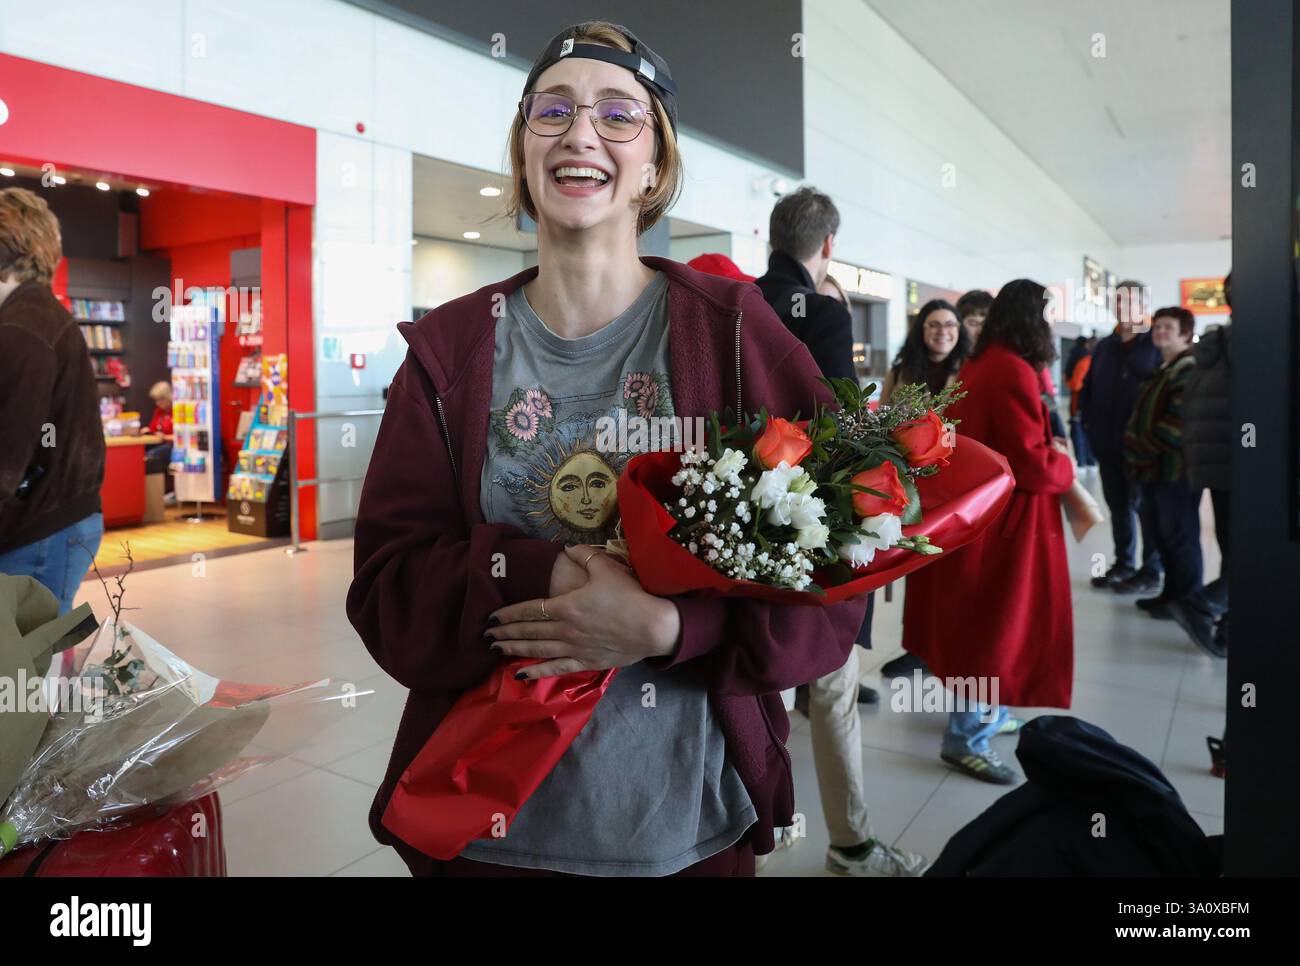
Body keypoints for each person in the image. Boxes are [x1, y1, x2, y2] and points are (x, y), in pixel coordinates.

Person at [347, 21, 875, 879]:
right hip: (488, 830)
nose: (580, 132)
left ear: (656, 166)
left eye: (618, 114)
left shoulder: (737, 336)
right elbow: (386, 590)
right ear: (523, 151)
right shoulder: (452, 355)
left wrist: (671, 626)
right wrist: (539, 580)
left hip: (689, 831)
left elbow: (838, 580)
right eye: (551, 110)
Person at [751, 191, 921, 875]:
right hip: (810, 521)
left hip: (735, 520)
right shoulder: (821, 313)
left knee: (750, 682)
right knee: (831, 689)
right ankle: (850, 845)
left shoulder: (728, 302)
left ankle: (753, 834)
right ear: (827, 247)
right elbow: (840, 426)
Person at [901, 280, 1075, 784]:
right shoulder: (1013, 371)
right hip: (1010, 525)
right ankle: (967, 736)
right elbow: (1033, 463)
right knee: (995, 629)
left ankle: (990, 714)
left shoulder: (982, 363)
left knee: (982, 622)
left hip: (987, 514)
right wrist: (1064, 465)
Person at [0, 188, 105, 613]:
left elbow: (6, 458)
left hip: (37, 532)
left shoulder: (22, 330)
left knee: (20, 671)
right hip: (52, 522)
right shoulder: (32, 317)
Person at [1123, 307, 1222, 657]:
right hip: (1151, 469)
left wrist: (1140, 445)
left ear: (1184, 334)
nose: (1160, 332)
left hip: (1173, 470)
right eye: (1157, 326)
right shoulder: (1164, 368)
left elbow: (1179, 423)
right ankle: (1171, 596)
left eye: (1168, 327)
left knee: (1179, 535)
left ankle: (1188, 599)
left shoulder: (1186, 368)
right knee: (1161, 534)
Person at [1079, 280, 1163, 593]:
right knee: (1118, 507)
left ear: (1144, 306)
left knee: (1145, 507)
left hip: (1141, 446)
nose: (1122, 308)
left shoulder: (1155, 342)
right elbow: (1088, 389)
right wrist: (1088, 423)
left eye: (1129, 302)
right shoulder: (1104, 346)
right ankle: (1124, 563)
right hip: (1106, 442)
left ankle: (1151, 569)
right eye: (1117, 302)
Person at [755, 186, 855, 381]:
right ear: (827, 245)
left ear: (774, 240)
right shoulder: (826, 314)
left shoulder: (741, 298)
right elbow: (842, 406)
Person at [1183, 273, 1230, 624]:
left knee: (1233, 541)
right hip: (1241, 463)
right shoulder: (1259, 340)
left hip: (1215, 461)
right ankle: (1214, 605)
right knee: (1243, 546)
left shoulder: (1216, 347)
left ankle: (1222, 612)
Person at [879, 299, 969, 403]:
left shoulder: (970, 370)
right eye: (934, 325)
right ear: (921, 329)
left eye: (950, 324)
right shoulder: (898, 372)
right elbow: (883, 415)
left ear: (959, 329)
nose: (942, 331)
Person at [1066, 335, 1097, 471]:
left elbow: (1075, 384)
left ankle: (1082, 461)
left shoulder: (1083, 360)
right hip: (1091, 403)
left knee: (1078, 431)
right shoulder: (1095, 360)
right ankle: (1090, 460)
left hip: (1079, 402)